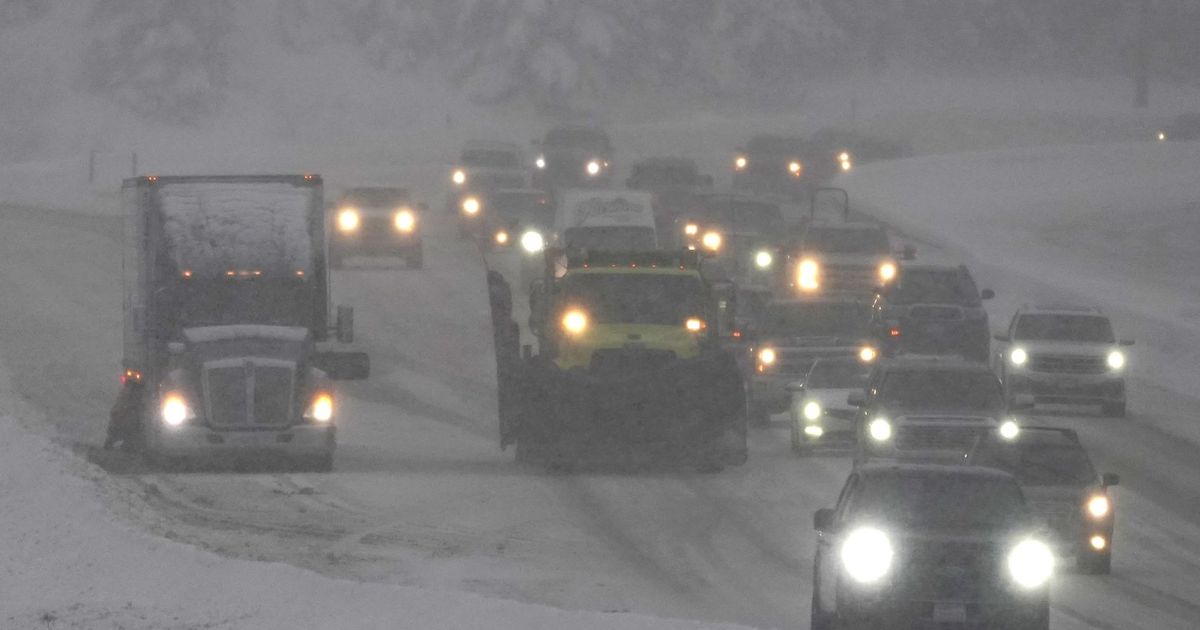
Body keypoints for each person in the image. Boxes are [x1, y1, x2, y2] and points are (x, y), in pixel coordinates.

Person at [104, 375, 144, 451]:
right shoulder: (128, 395)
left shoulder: (128, 394)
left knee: (119, 434)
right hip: (124, 419)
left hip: (126, 420)